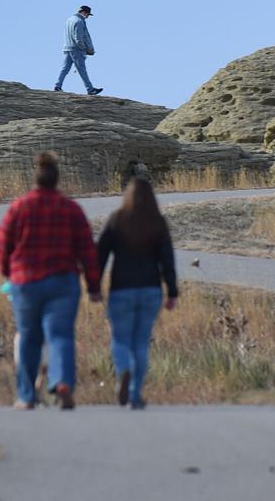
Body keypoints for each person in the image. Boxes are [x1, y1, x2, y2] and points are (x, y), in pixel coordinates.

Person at [0, 152, 102, 410]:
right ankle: (62, 382)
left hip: (26, 282)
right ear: (57, 180)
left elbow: (2, 243)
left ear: (36, 180)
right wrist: (94, 286)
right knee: (61, 335)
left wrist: (7, 271)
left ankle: (26, 396)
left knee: (29, 337)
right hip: (63, 282)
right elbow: (87, 250)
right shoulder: (71, 208)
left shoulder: (19, 207)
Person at [97, 176, 178, 410]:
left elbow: (100, 254)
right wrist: (172, 291)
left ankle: (124, 372)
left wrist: (94, 284)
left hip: (122, 289)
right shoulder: (158, 223)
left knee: (120, 339)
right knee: (141, 342)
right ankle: (135, 393)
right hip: (150, 290)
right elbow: (167, 260)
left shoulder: (116, 220)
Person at [55, 5, 103, 96]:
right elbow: (78, 38)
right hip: (76, 49)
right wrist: (86, 49)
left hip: (67, 47)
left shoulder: (69, 20)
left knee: (65, 68)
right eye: (88, 14)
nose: (88, 17)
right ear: (84, 12)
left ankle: (57, 85)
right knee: (82, 70)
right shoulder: (79, 21)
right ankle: (90, 89)